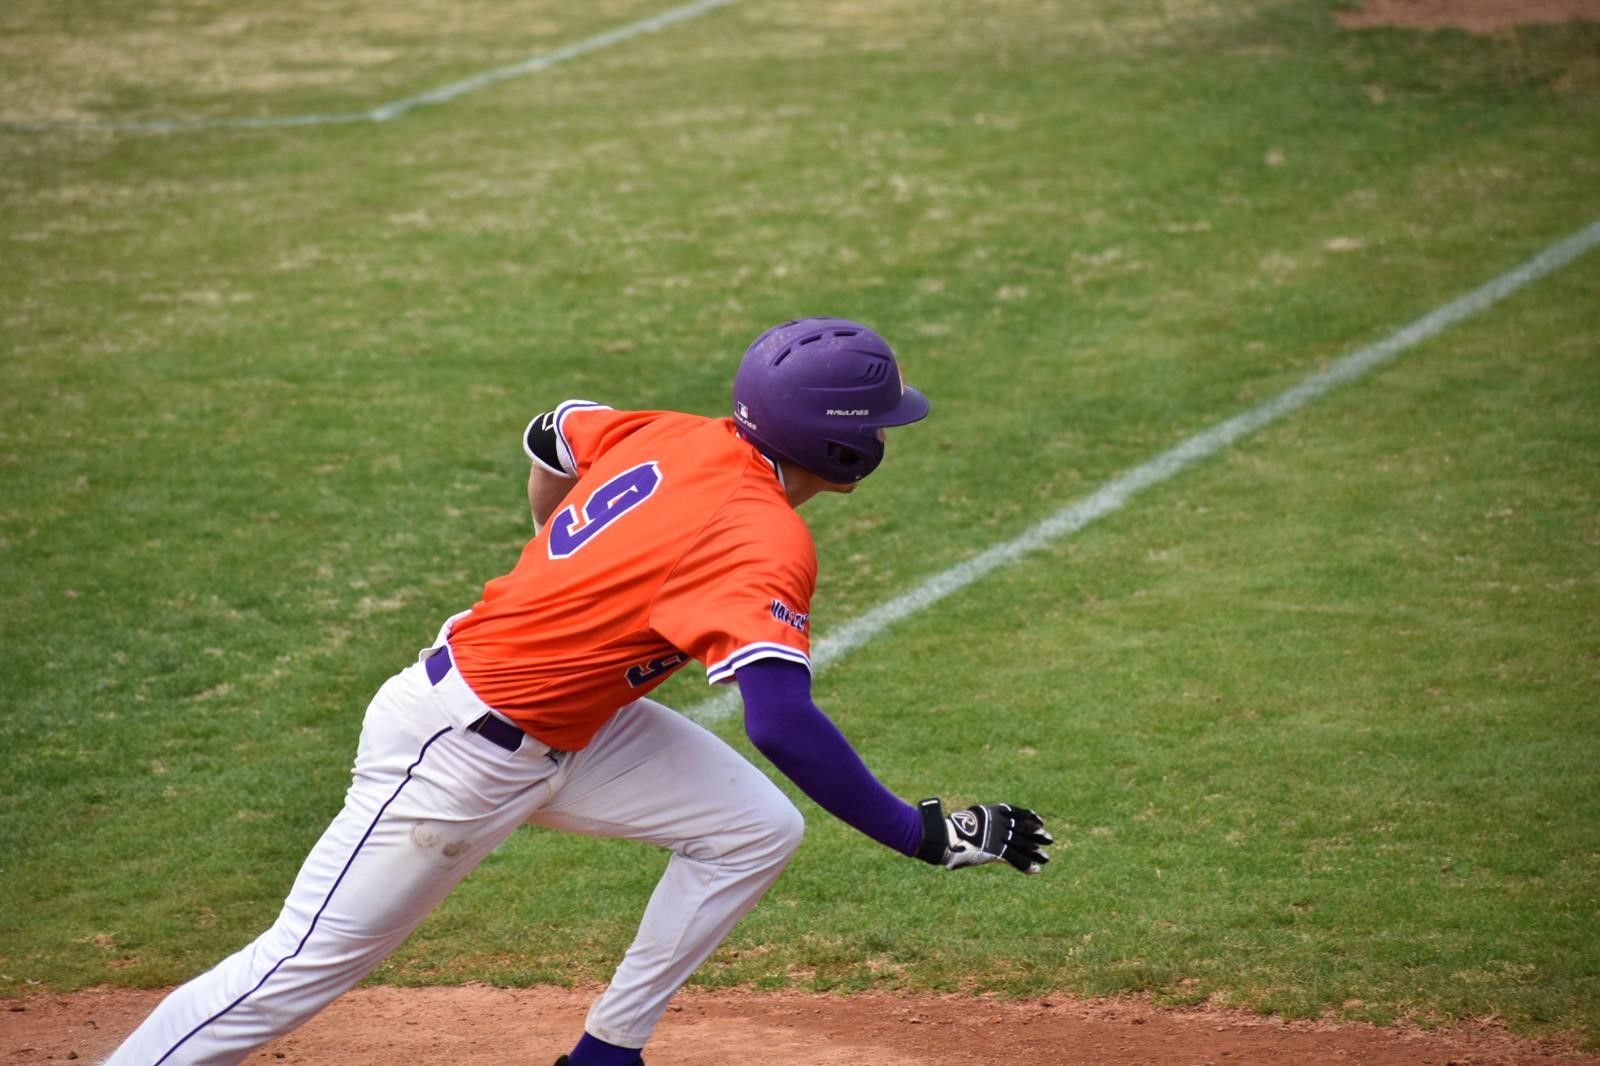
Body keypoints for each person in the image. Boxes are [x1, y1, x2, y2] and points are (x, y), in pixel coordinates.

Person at [103, 317, 1052, 1066]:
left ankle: (605, 1054)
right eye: (881, 422)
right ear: (847, 449)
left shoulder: (674, 432)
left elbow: (555, 426)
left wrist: (551, 538)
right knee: (297, 969)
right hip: (455, 752)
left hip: (574, 724)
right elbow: (782, 721)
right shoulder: (763, 537)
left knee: (754, 831)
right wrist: (916, 833)